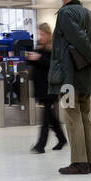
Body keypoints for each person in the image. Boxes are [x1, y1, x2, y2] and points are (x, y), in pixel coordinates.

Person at [50, 0, 91, 175]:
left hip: (68, 77)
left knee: (72, 117)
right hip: (87, 78)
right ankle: (90, 162)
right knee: (85, 118)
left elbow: (77, 37)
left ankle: (79, 162)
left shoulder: (65, 13)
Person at [25, 23, 66, 154]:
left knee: (45, 118)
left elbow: (52, 65)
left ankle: (40, 145)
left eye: (42, 34)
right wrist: (30, 58)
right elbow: (36, 64)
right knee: (51, 117)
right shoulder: (39, 48)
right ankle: (62, 138)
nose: (40, 37)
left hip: (50, 87)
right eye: (39, 34)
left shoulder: (53, 49)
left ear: (48, 35)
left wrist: (39, 58)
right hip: (40, 87)